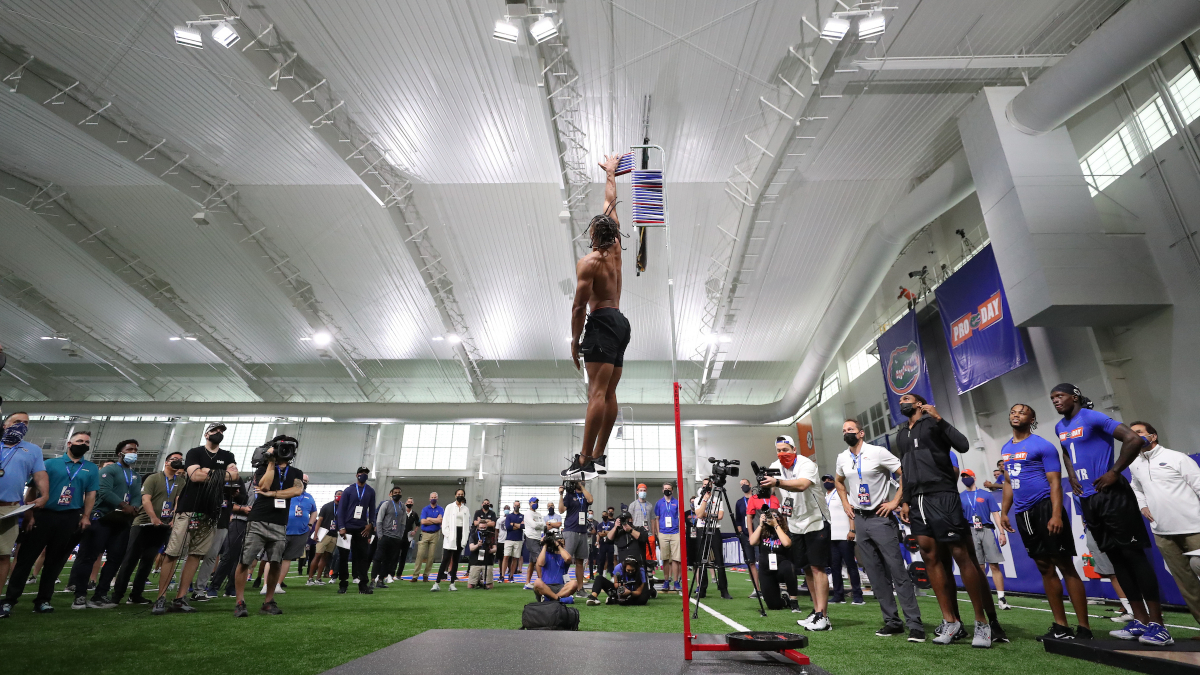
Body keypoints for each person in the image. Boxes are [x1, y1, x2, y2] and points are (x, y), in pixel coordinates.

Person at [1051, 384, 1169, 645]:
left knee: (1133, 556)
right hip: (1089, 499)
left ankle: (1159, 626)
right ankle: (1139, 621)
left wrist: (1115, 472)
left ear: (1075, 396)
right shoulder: (1060, 427)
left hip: (1112, 496)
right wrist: (1070, 475)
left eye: (1059, 396)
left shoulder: (1092, 417)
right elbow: (1066, 452)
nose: (1055, 401)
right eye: (1052, 398)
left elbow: (1134, 439)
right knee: (1117, 560)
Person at [894, 394, 1005, 647]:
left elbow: (963, 445)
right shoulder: (901, 434)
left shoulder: (933, 424)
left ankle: (982, 623)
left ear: (920, 404)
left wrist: (938, 417)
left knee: (961, 555)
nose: (902, 403)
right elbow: (906, 469)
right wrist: (905, 500)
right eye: (900, 400)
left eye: (907, 398)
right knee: (930, 557)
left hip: (943, 495)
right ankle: (951, 622)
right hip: (918, 501)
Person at [998, 404, 1092, 641]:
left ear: (1032, 418)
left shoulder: (1042, 445)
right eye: (1012, 411)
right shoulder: (1006, 448)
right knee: (1044, 567)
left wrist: (1057, 514)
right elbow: (1008, 483)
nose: (1016, 414)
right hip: (1023, 513)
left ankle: (1084, 628)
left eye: (1022, 411)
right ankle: (1061, 626)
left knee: (1064, 565)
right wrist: (1004, 512)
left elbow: (1055, 483)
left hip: (1045, 508)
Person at [562, 153, 630, 479]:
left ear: (592, 235)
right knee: (610, 392)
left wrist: (575, 342)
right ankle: (599, 456)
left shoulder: (588, 263)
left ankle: (585, 458)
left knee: (597, 393)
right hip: (620, 321)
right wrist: (611, 173)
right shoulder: (616, 246)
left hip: (601, 322)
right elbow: (611, 200)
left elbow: (578, 308)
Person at [833, 419, 923, 640]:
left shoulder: (878, 452)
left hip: (880, 517)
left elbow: (905, 474)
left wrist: (895, 502)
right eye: (844, 430)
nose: (846, 433)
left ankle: (915, 624)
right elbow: (839, 481)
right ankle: (892, 621)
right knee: (874, 574)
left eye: (850, 430)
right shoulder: (842, 457)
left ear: (861, 433)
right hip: (860, 520)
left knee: (897, 571)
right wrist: (845, 503)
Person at [3, 429, 94, 614]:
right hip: (43, 515)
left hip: (69, 517)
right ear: (69, 443)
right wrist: (29, 514)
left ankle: (43, 600)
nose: (83, 444)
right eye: (79, 441)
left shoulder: (91, 468)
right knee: (25, 559)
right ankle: (10, 600)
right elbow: (32, 490)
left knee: (54, 562)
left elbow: (91, 493)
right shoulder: (50, 464)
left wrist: (85, 516)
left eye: (86, 442)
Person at [152, 423, 238, 615]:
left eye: (222, 432)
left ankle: (180, 598)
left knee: (196, 555)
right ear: (207, 433)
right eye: (215, 431)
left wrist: (207, 472)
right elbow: (194, 476)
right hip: (189, 509)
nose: (219, 434)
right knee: (173, 553)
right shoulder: (195, 452)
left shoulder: (228, 455)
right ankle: (161, 598)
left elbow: (234, 477)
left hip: (211, 511)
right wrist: (220, 475)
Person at [1128, 420, 1200, 630]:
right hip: (1162, 532)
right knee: (1187, 585)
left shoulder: (1177, 458)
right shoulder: (1134, 463)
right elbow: (1137, 488)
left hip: (1194, 528)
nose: (1135, 437)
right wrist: (1143, 506)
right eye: (1131, 434)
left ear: (1153, 436)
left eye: (1140, 432)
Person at [759, 434, 832, 631]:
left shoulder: (806, 464)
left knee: (818, 568)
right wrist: (763, 484)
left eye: (785, 449)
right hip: (796, 523)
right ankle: (816, 611)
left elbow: (802, 485)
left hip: (816, 520)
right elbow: (770, 488)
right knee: (807, 568)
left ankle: (823, 616)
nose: (782, 453)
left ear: (794, 449)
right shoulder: (776, 465)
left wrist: (776, 482)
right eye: (779, 450)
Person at [232, 437, 303, 617]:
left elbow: (296, 491)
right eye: (281, 447)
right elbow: (263, 485)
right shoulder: (263, 468)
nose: (284, 451)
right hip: (258, 520)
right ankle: (240, 601)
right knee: (245, 560)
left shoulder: (296, 472)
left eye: (288, 448)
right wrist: (271, 463)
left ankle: (268, 601)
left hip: (279, 522)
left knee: (275, 562)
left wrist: (274, 493)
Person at [70, 439, 142, 609]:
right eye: (130, 449)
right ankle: (80, 595)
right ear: (120, 453)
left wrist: (136, 507)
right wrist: (124, 505)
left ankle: (100, 594)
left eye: (135, 450)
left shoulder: (135, 475)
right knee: (89, 557)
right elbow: (104, 491)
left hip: (121, 521)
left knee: (115, 558)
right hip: (102, 518)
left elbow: (137, 494)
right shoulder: (109, 470)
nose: (133, 452)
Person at [112, 450, 184, 605]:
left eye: (180, 459)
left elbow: (179, 500)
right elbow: (146, 500)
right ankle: (117, 595)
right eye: (174, 459)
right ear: (166, 462)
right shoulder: (154, 478)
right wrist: (153, 517)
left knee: (148, 561)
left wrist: (173, 518)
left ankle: (136, 595)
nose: (178, 461)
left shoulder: (180, 481)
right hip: (143, 524)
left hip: (162, 525)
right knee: (130, 560)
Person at [0, 412, 48, 618]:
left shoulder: (33, 450)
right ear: (5, 424)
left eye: (26, 423)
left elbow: (40, 475)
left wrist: (44, 494)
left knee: (3, 556)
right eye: (17, 422)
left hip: (9, 508)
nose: (22, 426)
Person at [959, 470, 1010, 610]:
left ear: (974, 477)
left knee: (994, 564)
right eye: (963, 477)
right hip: (970, 531)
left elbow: (995, 514)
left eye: (967, 476)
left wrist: (1002, 532)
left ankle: (1001, 598)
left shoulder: (986, 494)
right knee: (979, 567)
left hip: (987, 529)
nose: (965, 479)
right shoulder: (961, 497)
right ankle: (983, 596)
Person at [193, 470, 246, 601]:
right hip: (203, 518)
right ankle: (186, 586)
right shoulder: (207, 474)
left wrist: (236, 494)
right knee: (194, 554)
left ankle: (200, 590)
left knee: (212, 556)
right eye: (231, 466)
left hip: (222, 521)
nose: (233, 468)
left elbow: (242, 498)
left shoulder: (236, 479)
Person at [747, 508, 801, 611]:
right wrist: (761, 524)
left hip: (781, 567)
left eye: (774, 517)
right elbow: (752, 542)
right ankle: (785, 600)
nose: (771, 519)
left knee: (789, 567)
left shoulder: (785, 531)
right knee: (773, 606)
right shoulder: (763, 532)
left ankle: (793, 600)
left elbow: (787, 543)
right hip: (766, 569)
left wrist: (776, 525)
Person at [206, 476, 250, 598]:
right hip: (239, 521)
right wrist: (243, 509)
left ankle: (231, 587)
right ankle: (214, 586)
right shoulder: (246, 486)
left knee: (243, 558)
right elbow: (229, 503)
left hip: (255, 524)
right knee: (229, 556)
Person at [823, 474, 863, 606]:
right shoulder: (825, 497)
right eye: (825, 480)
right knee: (835, 567)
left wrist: (852, 530)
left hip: (845, 534)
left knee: (851, 565)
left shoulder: (843, 494)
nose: (827, 482)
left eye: (830, 480)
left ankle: (857, 595)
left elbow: (851, 512)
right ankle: (838, 595)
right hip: (832, 536)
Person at [336, 467, 376, 595]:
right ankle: (343, 584)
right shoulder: (349, 490)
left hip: (362, 529)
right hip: (346, 528)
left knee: (363, 557)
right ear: (356, 475)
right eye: (361, 473)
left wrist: (371, 524)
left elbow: (373, 509)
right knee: (343, 557)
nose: (363, 475)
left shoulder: (370, 491)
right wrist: (341, 527)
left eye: (366, 474)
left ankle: (363, 585)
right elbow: (341, 510)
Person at [278, 474, 317, 590]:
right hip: (283, 530)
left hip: (300, 532)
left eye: (306, 481)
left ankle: (278, 584)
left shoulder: (309, 497)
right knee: (274, 557)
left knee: (287, 558)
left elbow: (314, 511)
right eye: (302, 480)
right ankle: (265, 583)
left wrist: (310, 524)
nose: (304, 483)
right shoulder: (287, 493)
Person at [693, 483, 732, 599]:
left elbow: (720, 516)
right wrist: (705, 500)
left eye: (708, 485)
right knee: (702, 560)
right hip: (701, 530)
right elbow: (699, 514)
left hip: (715, 529)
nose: (706, 487)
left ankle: (724, 589)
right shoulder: (697, 499)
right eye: (704, 485)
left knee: (719, 559)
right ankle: (702, 589)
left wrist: (706, 514)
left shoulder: (717, 499)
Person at [558, 480, 593, 592]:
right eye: (580, 480)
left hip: (582, 531)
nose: (582, 482)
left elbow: (591, 500)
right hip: (570, 530)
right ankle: (559, 584)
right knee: (566, 559)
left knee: (580, 561)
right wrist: (561, 495)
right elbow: (561, 510)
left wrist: (582, 488)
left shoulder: (585, 494)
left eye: (583, 480)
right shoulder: (570, 495)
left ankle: (580, 588)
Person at [433, 488, 469, 591]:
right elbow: (445, 523)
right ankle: (436, 583)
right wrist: (448, 535)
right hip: (450, 536)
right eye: (458, 494)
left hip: (460, 535)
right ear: (455, 495)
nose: (460, 495)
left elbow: (467, 526)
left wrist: (464, 539)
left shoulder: (465, 509)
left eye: (462, 494)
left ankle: (452, 583)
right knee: (445, 560)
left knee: (456, 561)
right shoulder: (449, 507)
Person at [371, 486, 407, 587]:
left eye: (399, 492)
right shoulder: (386, 504)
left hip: (396, 538)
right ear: (391, 494)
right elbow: (379, 520)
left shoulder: (402, 506)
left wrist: (400, 535)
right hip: (385, 536)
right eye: (395, 492)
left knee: (389, 561)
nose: (397, 494)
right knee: (378, 558)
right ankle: (373, 580)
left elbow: (403, 523)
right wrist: (380, 535)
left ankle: (381, 580)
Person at [733, 478, 763, 599]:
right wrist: (741, 533)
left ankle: (766, 587)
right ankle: (756, 589)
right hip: (746, 536)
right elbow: (738, 520)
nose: (743, 486)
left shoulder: (758, 498)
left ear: (750, 484)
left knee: (762, 561)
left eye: (745, 483)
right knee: (750, 562)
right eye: (741, 485)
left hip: (759, 534)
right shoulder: (739, 502)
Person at [532, 531, 579, 603]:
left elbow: (568, 559)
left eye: (561, 541)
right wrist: (545, 545)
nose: (558, 542)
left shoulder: (564, 555)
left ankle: (550, 599)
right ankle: (558, 599)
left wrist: (558, 545)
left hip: (561, 587)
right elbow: (540, 563)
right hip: (546, 587)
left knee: (574, 583)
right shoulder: (546, 553)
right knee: (537, 582)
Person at [586, 556, 650, 606]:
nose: (630, 572)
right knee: (599, 578)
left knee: (643, 599)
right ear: (624, 568)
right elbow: (615, 584)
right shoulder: (618, 568)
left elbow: (639, 592)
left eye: (632, 570)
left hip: (633, 593)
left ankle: (616, 600)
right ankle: (593, 597)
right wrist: (621, 586)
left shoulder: (641, 571)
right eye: (628, 570)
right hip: (619, 590)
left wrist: (630, 592)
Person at [652, 482, 681, 592]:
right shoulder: (659, 503)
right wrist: (658, 533)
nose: (667, 490)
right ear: (662, 490)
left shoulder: (677, 503)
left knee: (676, 559)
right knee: (665, 558)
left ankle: (676, 581)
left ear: (672, 490)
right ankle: (666, 581)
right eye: (665, 488)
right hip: (663, 533)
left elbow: (679, 518)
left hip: (675, 533)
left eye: (669, 488)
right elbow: (657, 519)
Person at [308, 490, 341, 585]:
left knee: (326, 557)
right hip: (324, 534)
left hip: (334, 535)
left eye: (341, 495)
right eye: (338, 494)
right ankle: (310, 578)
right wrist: (315, 533)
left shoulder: (343, 507)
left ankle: (318, 578)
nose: (340, 496)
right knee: (318, 555)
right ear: (335, 495)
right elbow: (319, 520)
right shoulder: (327, 506)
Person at [413, 492, 443, 582]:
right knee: (420, 555)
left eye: (435, 497)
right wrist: (435, 520)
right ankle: (415, 576)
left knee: (431, 556)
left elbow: (441, 520)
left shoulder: (441, 509)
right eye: (432, 497)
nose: (433, 498)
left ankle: (426, 575)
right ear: (429, 499)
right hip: (425, 533)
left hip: (435, 534)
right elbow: (423, 522)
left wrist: (429, 519)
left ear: (437, 498)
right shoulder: (425, 509)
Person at [523, 496, 545, 590]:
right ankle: (542, 581)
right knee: (539, 559)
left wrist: (538, 524)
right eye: (533, 502)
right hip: (531, 537)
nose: (535, 503)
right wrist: (539, 525)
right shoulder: (528, 513)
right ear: (530, 503)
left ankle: (527, 583)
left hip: (537, 538)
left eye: (536, 502)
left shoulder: (539, 514)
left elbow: (544, 526)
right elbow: (533, 525)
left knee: (532, 562)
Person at [466, 520, 496, 589]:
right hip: (476, 561)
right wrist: (478, 545)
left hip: (487, 561)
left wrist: (489, 550)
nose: (483, 529)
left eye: (484, 528)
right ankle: (477, 580)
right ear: (478, 527)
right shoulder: (473, 535)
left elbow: (495, 548)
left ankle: (482, 582)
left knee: (489, 586)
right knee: (470, 586)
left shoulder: (491, 535)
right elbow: (471, 548)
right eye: (481, 527)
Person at [501, 499, 524, 583]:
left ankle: (511, 576)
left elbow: (523, 526)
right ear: (513, 506)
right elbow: (508, 527)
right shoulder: (509, 516)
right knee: (506, 557)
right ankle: (502, 576)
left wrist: (513, 524)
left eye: (518, 505)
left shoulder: (522, 516)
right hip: (509, 539)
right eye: (515, 505)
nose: (516, 506)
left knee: (515, 558)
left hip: (518, 539)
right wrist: (518, 526)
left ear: (520, 506)